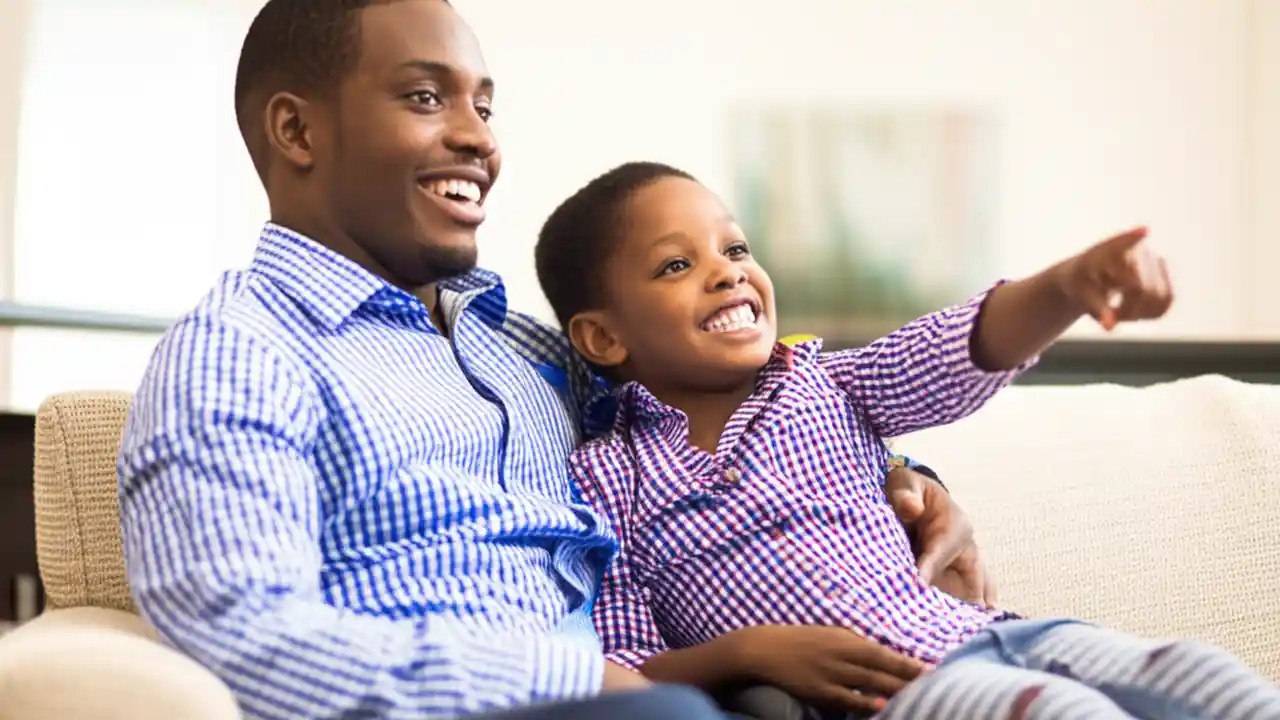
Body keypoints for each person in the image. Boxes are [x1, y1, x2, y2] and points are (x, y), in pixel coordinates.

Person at [115, 1, 985, 718]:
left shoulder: (529, 352)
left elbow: (715, 408)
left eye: (483, 108)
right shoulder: (238, 354)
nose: (479, 141)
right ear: (297, 131)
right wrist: (574, 679)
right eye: (426, 99)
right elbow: (246, 635)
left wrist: (903, 477)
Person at [534, 161, 1280, 719]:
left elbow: (947, 352)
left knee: (1203, 678)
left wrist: (1066, 286)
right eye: (677, 264)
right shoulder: (606, 480)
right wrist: (748, 653)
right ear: (602, 335)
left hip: (989, 632)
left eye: (735, 249)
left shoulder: (821, 383)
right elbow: (623, 659)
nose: (727, 276)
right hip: (897, 694)